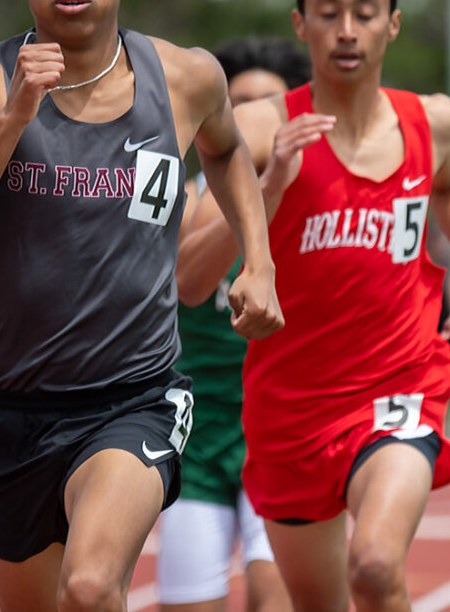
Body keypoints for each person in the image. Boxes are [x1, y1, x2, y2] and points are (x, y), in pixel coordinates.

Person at [0, 0, 283, 612]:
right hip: (9, 407)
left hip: (132, 397)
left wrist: (260, 262)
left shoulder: (186, 78)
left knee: (90, 584)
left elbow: (229, 151)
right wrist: (14, 117)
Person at [175, 0, 450, 612]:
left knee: (376, 564)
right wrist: (265, 194)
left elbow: (449, 183)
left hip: (398, 386)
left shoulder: (432, 122)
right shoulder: (263, 129)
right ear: (302, 24)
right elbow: (188, 278)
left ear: (393, 23)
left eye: (364, 13)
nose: (347, 30)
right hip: (290, 408)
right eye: (329, 14)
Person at [158, 37, 308, 612]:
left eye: (264, 104)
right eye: (235, 104)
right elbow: (185, 283)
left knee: (276, 600)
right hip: (198, 434)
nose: (248, 119)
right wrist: (257, 194)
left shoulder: (317, 201)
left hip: (281, 430)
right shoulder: (191, 196)